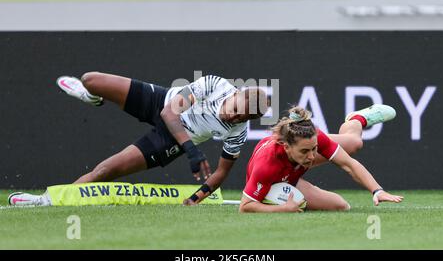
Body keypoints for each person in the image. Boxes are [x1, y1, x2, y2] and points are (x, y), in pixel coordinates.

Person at [8, 72, 268, 206]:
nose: (231, 116)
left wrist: (197, 197)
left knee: (105, 170)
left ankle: (46, 200)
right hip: (162, 102)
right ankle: (93, 98)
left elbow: (222, 172)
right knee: (90, 80)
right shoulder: (216, 85)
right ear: (237, 93)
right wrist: (192, 151)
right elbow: (169, 112)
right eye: (234, 109)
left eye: (239, 117)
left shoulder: (238, 131)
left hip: (171, 141)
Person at [240, 105, 404, 213]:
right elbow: (245, 207)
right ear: (286, 146)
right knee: (340, 206)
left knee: (354, 143)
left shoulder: (314, 139)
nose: (312, 156)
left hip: (292, 168)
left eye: (315, 149)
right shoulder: (267, 164)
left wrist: (377, 190)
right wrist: (282, 209)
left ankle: (358, 118)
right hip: (276, 181)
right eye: (305, 150)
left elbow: (349, 165)